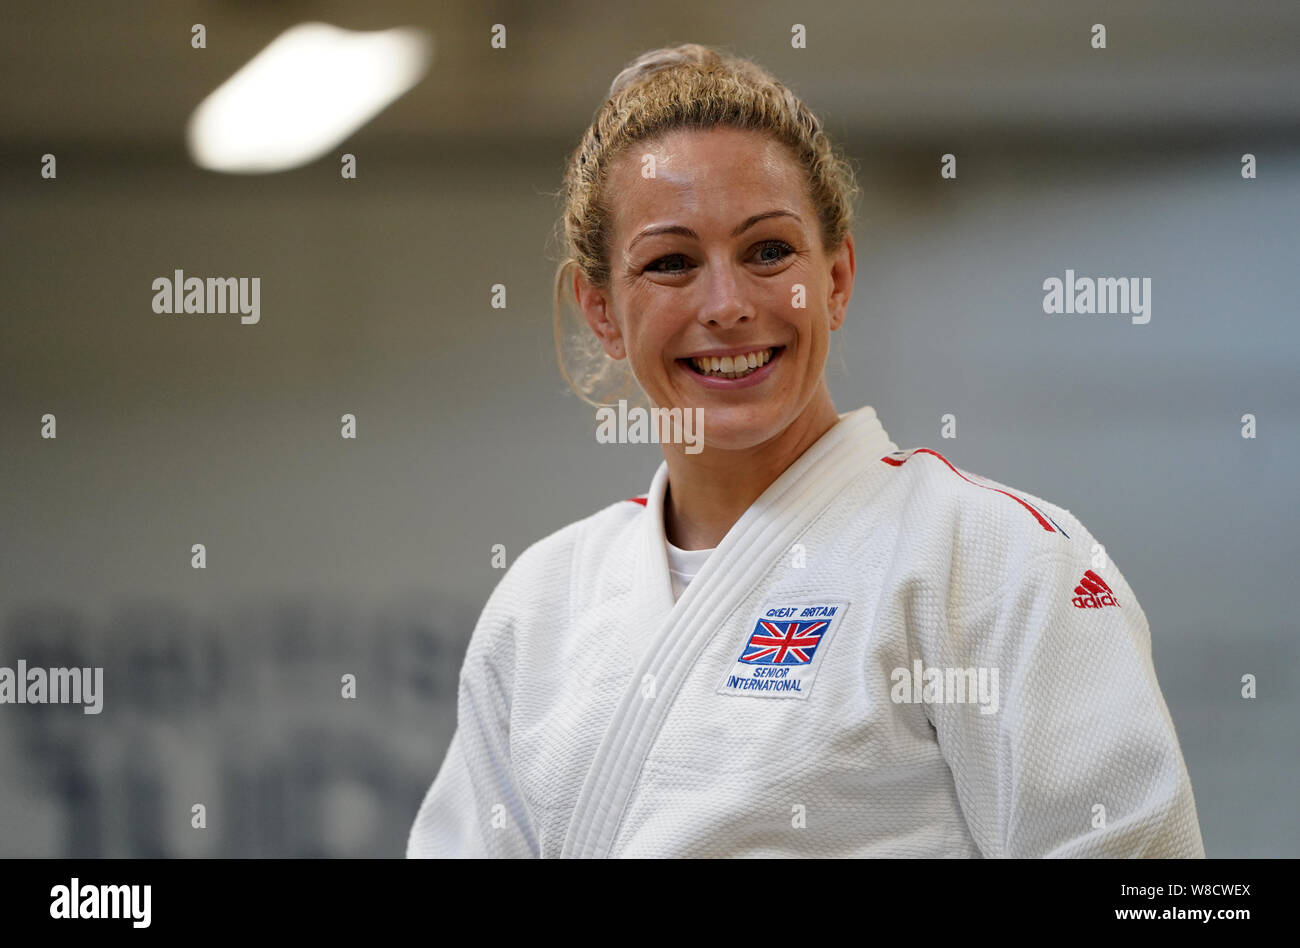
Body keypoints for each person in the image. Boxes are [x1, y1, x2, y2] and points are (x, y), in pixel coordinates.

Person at [407, 43, 1204, 858]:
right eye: (671, 263)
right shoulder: (542, 604)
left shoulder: (995, 561)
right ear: (602, 311)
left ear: (836, 279)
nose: (727, 305)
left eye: (768, 252)